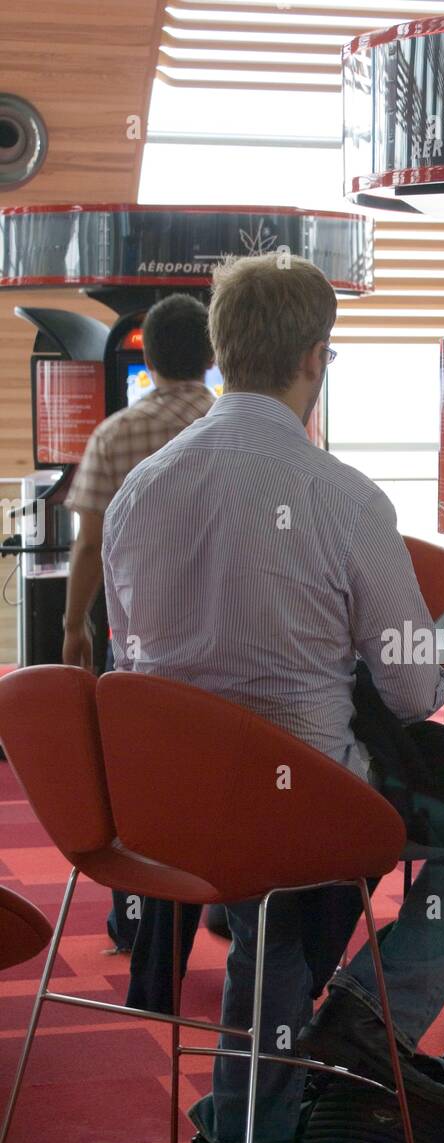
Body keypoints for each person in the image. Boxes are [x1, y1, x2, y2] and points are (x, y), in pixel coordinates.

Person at [102, 252, 444, 1143]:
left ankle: (252, 1122)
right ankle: (367, 1017)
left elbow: (129, 664)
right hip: (299, 812)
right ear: (317, 358)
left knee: (277, 891)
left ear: (218, 350)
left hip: (165, 813)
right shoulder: (344, 498)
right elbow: (417, 694)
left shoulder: (139, 493)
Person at [64, 294, 216, 957]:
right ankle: (229, 901)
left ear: (146, 359)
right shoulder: (235, 430)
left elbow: (88, 545)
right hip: (230, 650)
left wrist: (74, 628)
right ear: (212, 357)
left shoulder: (116, 434)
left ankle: (137, 920)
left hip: (144, 655)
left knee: (145, 789)